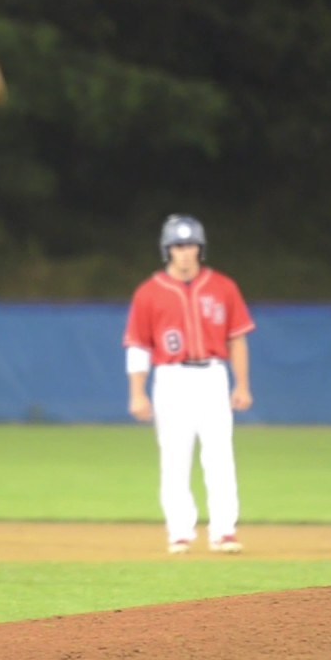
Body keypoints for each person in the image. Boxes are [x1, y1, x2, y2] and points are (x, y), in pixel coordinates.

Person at [123, 214, 256, 555]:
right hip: (171, 378)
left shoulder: (223, 287)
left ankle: (224, 531)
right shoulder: (149, 292)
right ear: (167, 250)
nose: (184, 252)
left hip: (213, 374)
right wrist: (137, 392)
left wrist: (242, 385)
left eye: (190, 245)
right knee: (174, 456)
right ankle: (179, 532)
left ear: (200, 248)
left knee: (220, 454)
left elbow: (237, 339)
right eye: (178, 246)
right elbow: (138, 346)